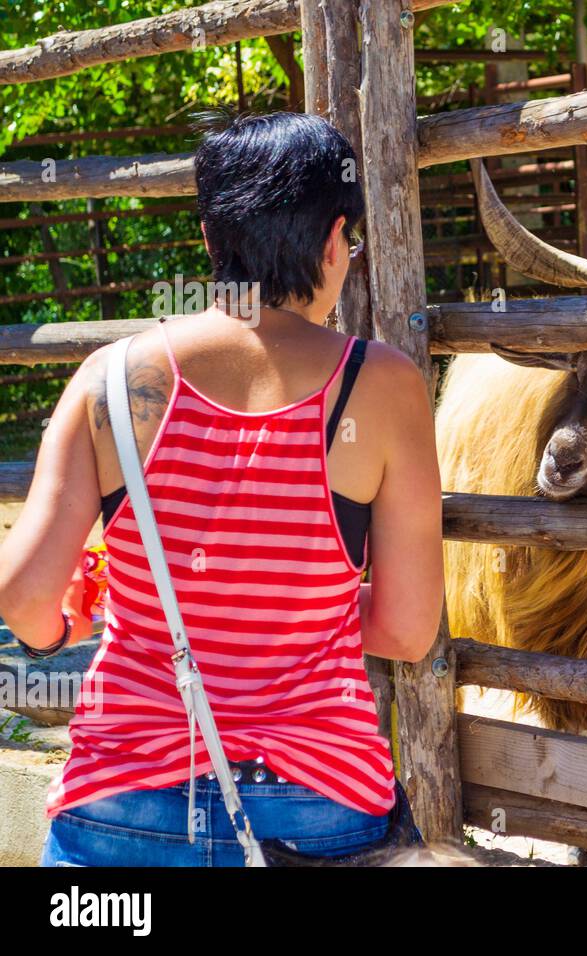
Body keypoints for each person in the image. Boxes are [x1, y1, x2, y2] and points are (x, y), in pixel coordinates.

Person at [0, 111, 444, 866]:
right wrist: (294, 604)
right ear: (336, 241)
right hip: (311, 812)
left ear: (210, 239)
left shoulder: (109, 381)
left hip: (118, 805)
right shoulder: (383, 387)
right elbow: (406, 629)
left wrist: (69, 625)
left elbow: (22, 599)